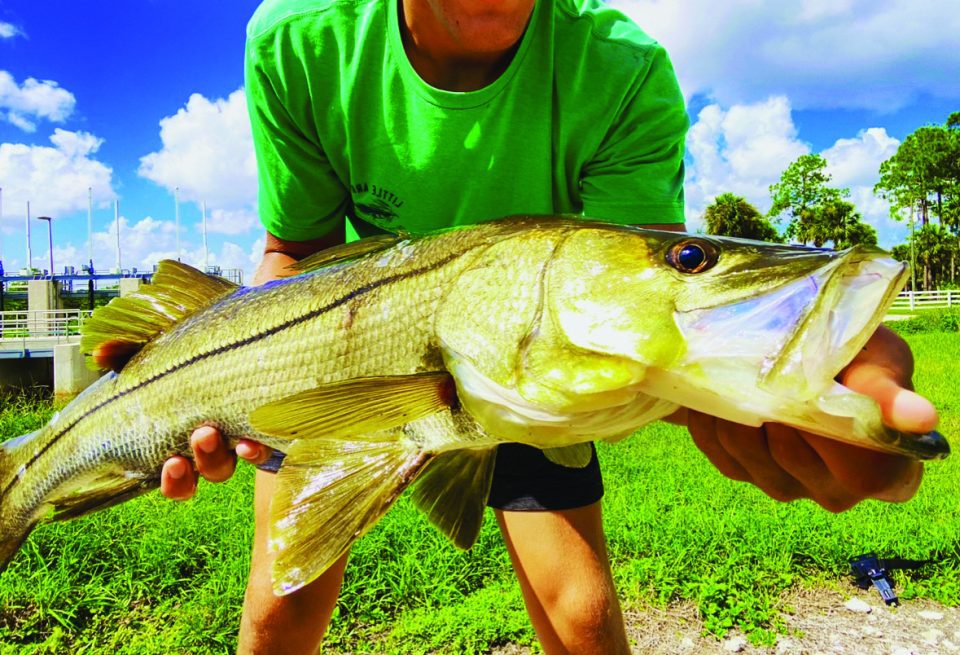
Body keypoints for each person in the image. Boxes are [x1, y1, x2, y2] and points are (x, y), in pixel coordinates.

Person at [160, 0, 938, 653]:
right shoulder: (300, 36)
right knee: (279, 600)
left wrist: (769, 363)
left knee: (582, 618)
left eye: (694, 256)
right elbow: (296, 249)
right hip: (354, 359)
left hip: (532, 360)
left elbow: (644, 287)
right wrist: (228, 372)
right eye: (697, 257)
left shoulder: (620, 67)